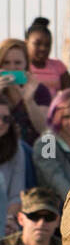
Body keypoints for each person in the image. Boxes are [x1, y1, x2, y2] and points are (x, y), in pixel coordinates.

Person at [0, 37, 53, 146]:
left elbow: (44, 130)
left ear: (26, 65)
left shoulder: (39, 90)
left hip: (32, 152)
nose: (12, 68)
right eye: (6, 63)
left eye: (18, 63)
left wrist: (29, 100)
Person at [24, 18, 70, 97]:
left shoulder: (58, 66)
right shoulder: (20, 66)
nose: (43, 48)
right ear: (26, 43)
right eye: (38, 44)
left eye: (47, 45)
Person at [0, 98, 24, 235]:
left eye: (6, 119)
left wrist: (9, 219)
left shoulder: (17, 149)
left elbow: (16, 194)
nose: (1, 123)